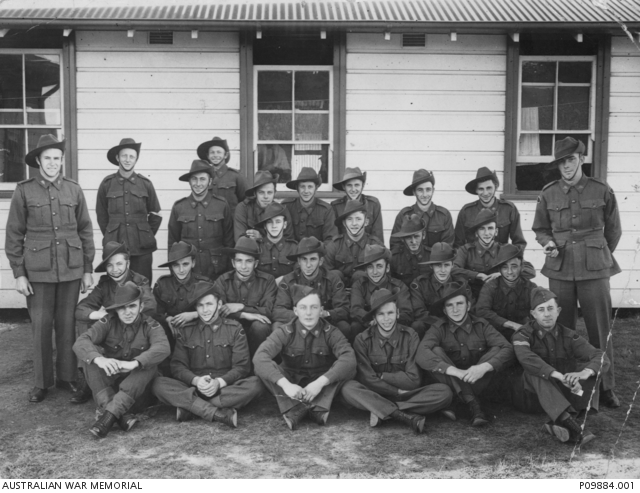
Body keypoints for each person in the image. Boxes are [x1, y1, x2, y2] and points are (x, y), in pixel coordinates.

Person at [532, 137, 622, 409]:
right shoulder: (549, 193)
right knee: (562, 330)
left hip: (595, 269)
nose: (566, 166)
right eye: (561, 161)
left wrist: (597, 252)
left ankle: (606, 387)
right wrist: (547, 243)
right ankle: (570, 388)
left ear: (582, 159)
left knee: (599, 330)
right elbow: (540, 228)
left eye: (570, 159)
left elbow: (613, 231)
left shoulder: (601, 189)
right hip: (560, 269)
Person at [5, 134, 95, 403]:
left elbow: (85, 230)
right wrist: (19, 273)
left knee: (67, 324)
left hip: (70, 268)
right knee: (42, 326)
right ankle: (42, 383)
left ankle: (67, 377)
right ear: (38, 162)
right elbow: (14, 235)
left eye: (57, 158)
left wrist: (87, 268)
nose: (53, 163)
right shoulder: (24, 190)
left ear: (61, 161)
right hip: (39, 271)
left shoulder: (73, 189)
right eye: (48, 158)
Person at [152, 281, 264, 428]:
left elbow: (242, 367)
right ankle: (216, 411)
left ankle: (193, 408)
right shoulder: (186, 330)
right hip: (194, 387)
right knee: (157, 384)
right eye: (200, 305)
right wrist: (196, 381)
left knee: (257, 383)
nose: (205, 310)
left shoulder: (234, 328)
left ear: (219, 304)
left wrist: (219, 382)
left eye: (209, 304)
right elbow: (178, 367)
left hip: (224, 388)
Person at [340, 288, 453, 434]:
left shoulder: (410, 335)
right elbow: (367, 380)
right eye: (381, 314)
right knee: (347, 388)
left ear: (398, 313)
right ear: (374, 317)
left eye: (390, 313)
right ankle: (403, 415)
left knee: (444, 392)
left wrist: (382, 376)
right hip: (376, 393)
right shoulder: (362, 340)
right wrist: (396, 390)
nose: (386, 319)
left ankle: (380, 410)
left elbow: (414, 380)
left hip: (406, 394)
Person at [511, 287, 609, 445]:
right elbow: (526, 358)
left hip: (560, 396)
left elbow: (600, 356)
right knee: (535, 370)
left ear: (558, 311)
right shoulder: (522, 334)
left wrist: (583, 374)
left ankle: (558, 423)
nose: (547, 314)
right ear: (533, 314)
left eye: (550, 308)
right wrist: (559, 376)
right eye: (541, 310)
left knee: (593, 370)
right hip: (530, 399)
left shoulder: (569, 335)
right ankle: (574, 427)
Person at [73, 282, 170, 438]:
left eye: (132, 306)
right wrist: (100, 360)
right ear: (116, 309)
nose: (127, 312)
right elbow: (81, 341)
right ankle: (116, 414)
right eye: (122, 308)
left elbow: (163, 348)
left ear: (141, 306)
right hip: (112, 387)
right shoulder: (108, 322)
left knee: (149, 362)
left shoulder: (151, 325)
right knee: (90, 356)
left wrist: (134, 363)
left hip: (137, 393)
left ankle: (108, 414)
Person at [253, 284, 356, 430]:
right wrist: (286, 385)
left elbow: (349, 359)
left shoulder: (331, 332)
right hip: (291, 383)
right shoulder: (285, 331)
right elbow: (260, 357)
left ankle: (316, 407)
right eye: (303, 308)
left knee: (344, 368)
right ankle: (297, 408)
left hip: (321, 385)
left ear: (321, 311)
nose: (308, 313)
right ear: (295, 311)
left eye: (314, 307)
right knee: (264, 368)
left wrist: (320, 383)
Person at [416, 282, 514, 426]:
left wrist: (484, 367)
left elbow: (508, 348)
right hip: (450, 380)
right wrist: (455, 371)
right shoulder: (439, 328)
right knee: (435, 351)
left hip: (478, 381)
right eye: (450, 305)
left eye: (459, 304)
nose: (455, 309)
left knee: (497, 349)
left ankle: (458, 400)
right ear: (444, 310)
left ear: (468, 306)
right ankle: (472, 403)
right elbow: (421, 353)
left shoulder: (481, 325)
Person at [73, 241, 156, 403]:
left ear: (128, 263)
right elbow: (81, 308)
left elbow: (150, 306)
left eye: (119, 263)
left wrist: (114, 315)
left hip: (136, 331)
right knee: (84, 323)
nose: (115, 269)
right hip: (115, 332)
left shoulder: (140, 281)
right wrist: (97, 314)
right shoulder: (105, 284)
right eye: (110, 265)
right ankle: (87, 379)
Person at [96, 138, 162, 283]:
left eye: (131, 156)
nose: (127, 160)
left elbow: (156, 215)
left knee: (142, 286)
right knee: (116, 287)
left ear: (136, 159)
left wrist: (144, 234)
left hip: (142, 247)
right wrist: (112, 236)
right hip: (115, 245)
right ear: (117, 157)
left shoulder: (145, 184)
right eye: (124, 155)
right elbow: (102, 216)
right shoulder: (107, 184)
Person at [167, 159, 233, 280]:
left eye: (202, 179)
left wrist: (228, 271)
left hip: (217, 269)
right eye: (194, 179)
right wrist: (174, 271)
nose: (198, 183)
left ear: (210, 181)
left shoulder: (221, 205)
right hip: (189, 271)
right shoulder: (179, 207)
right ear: (189, 182)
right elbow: (172, 243)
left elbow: (229, 241)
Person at [214, 236, 277, 356]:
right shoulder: (223, 280)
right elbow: (218, 311)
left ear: (256, 263)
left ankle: (257, 366)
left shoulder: (267, 280)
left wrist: (241, 306)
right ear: (233, 262)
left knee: (261, 326)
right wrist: (244, 314)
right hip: (231, 328)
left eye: (249, 261)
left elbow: (268, 311)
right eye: (239, 261)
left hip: (256, 333)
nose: (243, 266)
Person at [273, 237, 350, 337]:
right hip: (297, 325)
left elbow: (344, 309)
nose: (308, 265)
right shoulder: (288, 280)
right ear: (299, 261)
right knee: (277, 326)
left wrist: (326, 314)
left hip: (324, 325)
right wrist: (301, 315)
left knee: (344, 326)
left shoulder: (333, 279)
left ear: (321, 261)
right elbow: (278, 311)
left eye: (313, 259)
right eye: (304, 259)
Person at [454, 209, 535, 300]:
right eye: (482, 228)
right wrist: (477, 275)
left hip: (501, 300)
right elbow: (453, 270)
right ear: (476, 233)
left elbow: (530, 271)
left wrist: (502, 274)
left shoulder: (505, 250)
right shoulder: (466, 250)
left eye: (490, 228)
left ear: (496, 232)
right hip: (473, 299)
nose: (487, 233)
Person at [153, 241, 211, 353]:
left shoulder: (204, 284)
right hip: (172, 332)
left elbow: (215, 310)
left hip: (197, 331)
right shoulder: (162, 284)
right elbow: (156, 312)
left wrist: (195, 314)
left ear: (193, 263)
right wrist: (167, 319)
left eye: (185, 264)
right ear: (171, 266)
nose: (181, 270)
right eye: (176, 265)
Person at [349, 244, 413, 342]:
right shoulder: (359, 285)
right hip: (369, 327)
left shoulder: (399, 286)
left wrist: (385, 321)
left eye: (379, 266)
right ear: (365, 269)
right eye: (370, 267)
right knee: (355, 326)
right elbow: (355, 309)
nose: (374, 272)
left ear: (387, 268)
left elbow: (406, 313)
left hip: (393, 329)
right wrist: (372, 320)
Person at [476, 243, 537, 340]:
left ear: (521, 267)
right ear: (499, 269)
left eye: (514, 266)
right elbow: (482, 311)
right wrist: (511, 324)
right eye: (505, 267)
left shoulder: (530, 287)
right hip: (496, 335)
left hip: (524, 334)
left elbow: (537, 312)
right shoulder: (491, 286)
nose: (509, 272)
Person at [409, 242, 471, 338]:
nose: (442, 270)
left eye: (446, 265)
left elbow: (470, 308)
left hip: (457, 324)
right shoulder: (420, 283)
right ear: (431, 266)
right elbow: (419, 313)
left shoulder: (461, 283)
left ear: (452, 265)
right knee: (417, 325)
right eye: (438, 265)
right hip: (431, 326)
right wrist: (443, 324)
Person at [454, 167, 526, 249]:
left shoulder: (508, 209)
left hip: (501, 259)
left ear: (495, 187)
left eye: (489, 188)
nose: (485, 193)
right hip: (473, 260)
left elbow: (519, 243)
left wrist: (511, 260)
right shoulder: (466, 211)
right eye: (481, 189)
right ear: (476, 191)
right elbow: (458, 244)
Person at [324, 200, 384, 287]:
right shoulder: (334, 245)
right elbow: (325, 275)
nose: (354, 224)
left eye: (358, 219)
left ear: (366, 222)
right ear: (344, 223)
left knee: (360, 275)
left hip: (366, 294)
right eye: (349, 219)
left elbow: (383, 274)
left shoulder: (375, 245)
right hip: (338, 293)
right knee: (334, 274)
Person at [390, 169, 454, 251]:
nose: (424, 194)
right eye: (420, 190)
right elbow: (395, 246)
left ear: (433, 191)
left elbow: (447, 248)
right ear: (414, 192)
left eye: (428, 190)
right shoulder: (403, 215)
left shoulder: (444, 215)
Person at [281, 167, 338, 244]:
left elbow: (330, 240)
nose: (306, 191)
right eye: (302, 187)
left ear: (316, 188)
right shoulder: (286, 206)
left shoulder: (326, 210)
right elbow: (284, 237)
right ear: (297, 188)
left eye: (310, 187)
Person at [234, 170, 294, 242]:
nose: (266, 197)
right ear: (255, 193)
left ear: (274, 193)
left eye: (269, 192)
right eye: (261, 192)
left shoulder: (282, 211)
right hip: (250, 251)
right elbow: (240, 240)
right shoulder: (243, 208)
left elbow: (288, 241)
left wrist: (261, 238)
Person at [196, 136, 246, 216]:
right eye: (212, 152)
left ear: (225, 155)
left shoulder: (236, 176)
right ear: (208, 156)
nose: (215, 155)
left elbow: (245, 202)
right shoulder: (203, 177)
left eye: (219, 152)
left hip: (230, 225)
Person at [331, 167, 383, 242]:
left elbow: (378, 236)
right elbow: (334, 237)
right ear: (343, 187)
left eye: (357, 185)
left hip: (368, 250)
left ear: (363, 185)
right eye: (349, 185)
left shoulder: (373, 204)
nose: (353, 189)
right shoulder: (336, 206)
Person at [253, 203, 298, 282]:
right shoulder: (256, 246)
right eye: (270, 222)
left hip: (287, 291)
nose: (274, 226)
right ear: (264, 226)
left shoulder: (294, 248)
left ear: (284, 225)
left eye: (278, 221)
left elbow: (298, 274)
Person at [390, 214, 432, 286]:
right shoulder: (394, 258)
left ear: (423, 235)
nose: (413, 241)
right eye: (408, 237)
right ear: (402, 239)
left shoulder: (432, 256)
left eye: (416, 236)